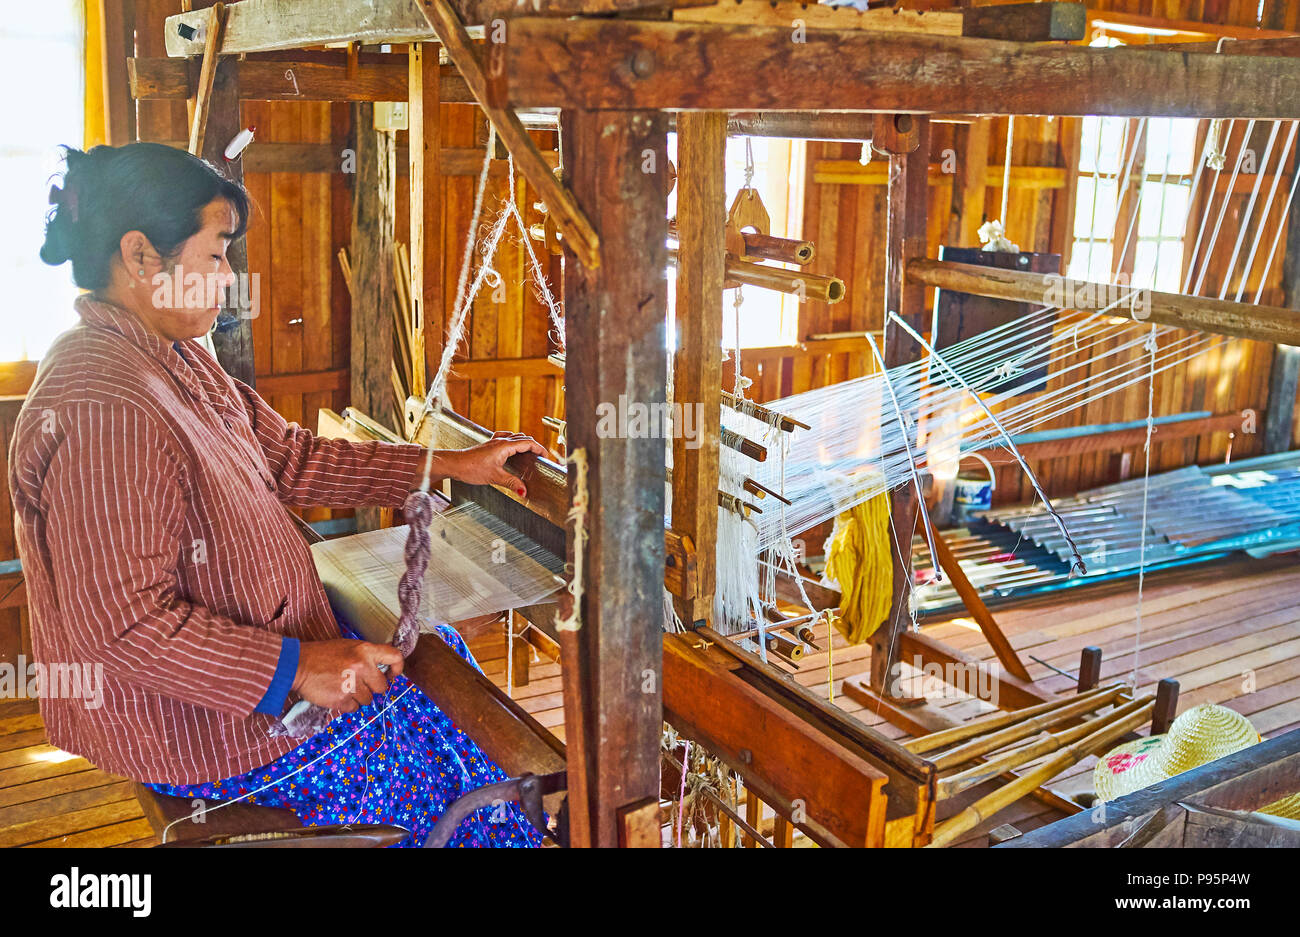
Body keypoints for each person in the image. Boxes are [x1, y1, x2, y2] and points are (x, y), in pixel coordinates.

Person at [9, 142, 548, 847]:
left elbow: (290, 457)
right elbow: (123, 627)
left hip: (236, 704)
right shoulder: (106, 406)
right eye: (215, 254)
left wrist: (449, 464)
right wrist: (296, 668)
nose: (228, 277)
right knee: (465, 785)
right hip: (204, 736)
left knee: (444, 668)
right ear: (141, 257)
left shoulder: (172, 360)